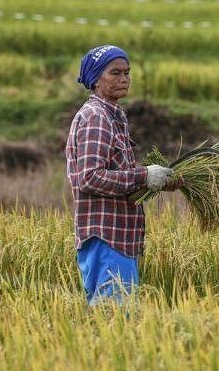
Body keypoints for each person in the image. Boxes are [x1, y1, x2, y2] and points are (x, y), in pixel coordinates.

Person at [65, 44, 179, 304]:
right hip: (107, 238)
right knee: (114, 323)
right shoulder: (96, 117)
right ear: (95, 79)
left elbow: (119, 180)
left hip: (119, 238)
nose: (124, 79)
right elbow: (90, 177)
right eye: (115, 73)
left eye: (127, 72)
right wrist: (143, 176)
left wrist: (159, 182)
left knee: (117, 324)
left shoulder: (113, 115)